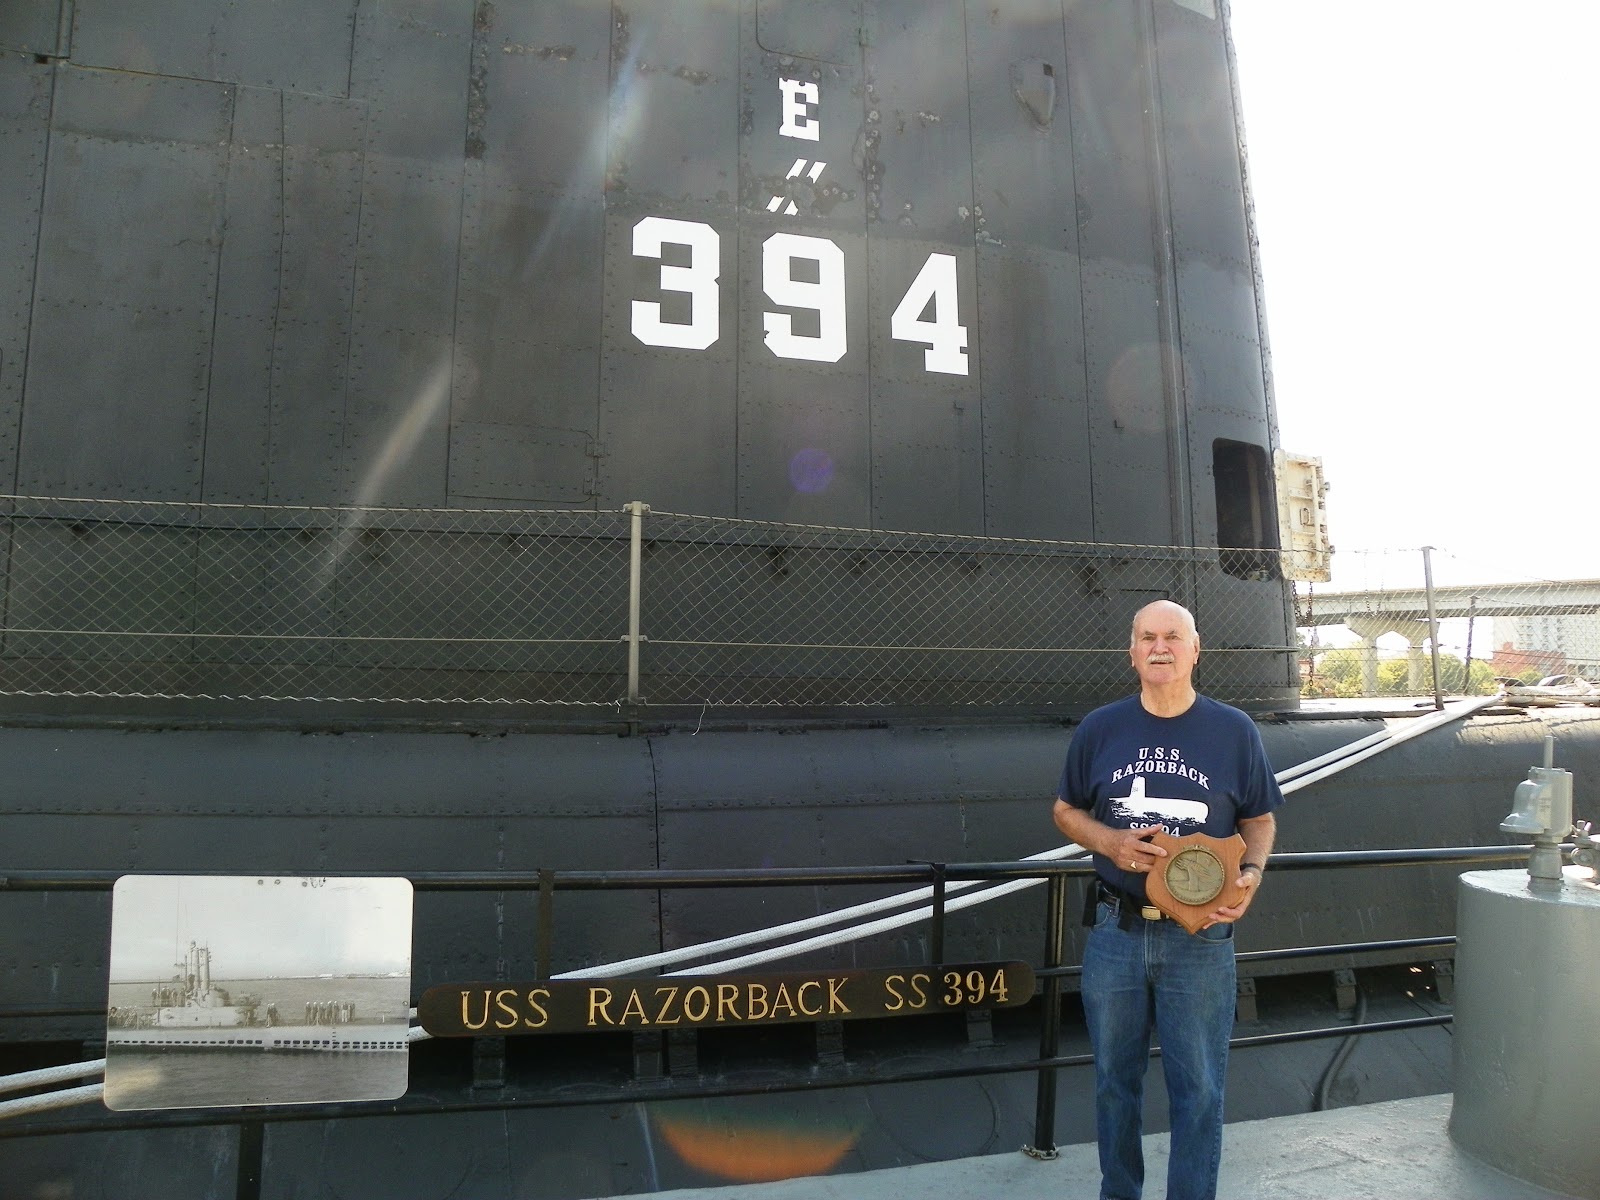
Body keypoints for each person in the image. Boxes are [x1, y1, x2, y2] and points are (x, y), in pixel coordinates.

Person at [1052, 599, 1282, 1200]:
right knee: (1113, 1084)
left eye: (1172, 637)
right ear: (1132, 651)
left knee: (1200, 1088)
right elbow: (1065, 808)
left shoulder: (1233, 731)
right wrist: (1109, 840)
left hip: (1201, 940)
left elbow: (1258, 819)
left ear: (1195, 649)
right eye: (1147, 637)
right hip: (1116, 933)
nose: (1160, 647)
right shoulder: (1100, 728)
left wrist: (1251, 874)